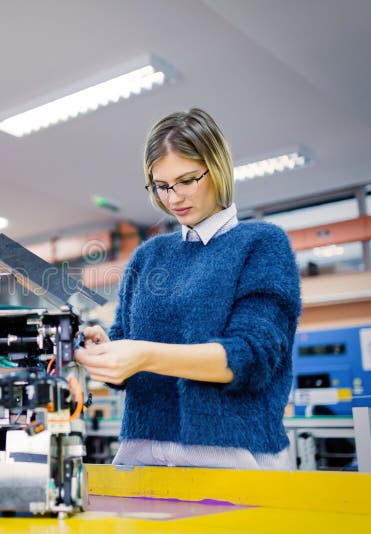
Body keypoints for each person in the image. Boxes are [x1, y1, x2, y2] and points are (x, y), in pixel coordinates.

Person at [75, 108, 301, 469]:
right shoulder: (149, 256)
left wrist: (144, 354)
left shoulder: (261, 245)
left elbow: (252, 357)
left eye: (187, 180)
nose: (174, 197)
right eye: (161, 186)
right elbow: (124, 350)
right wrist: (102, 351)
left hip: (232, 457)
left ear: (217, 168)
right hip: (142, 454)